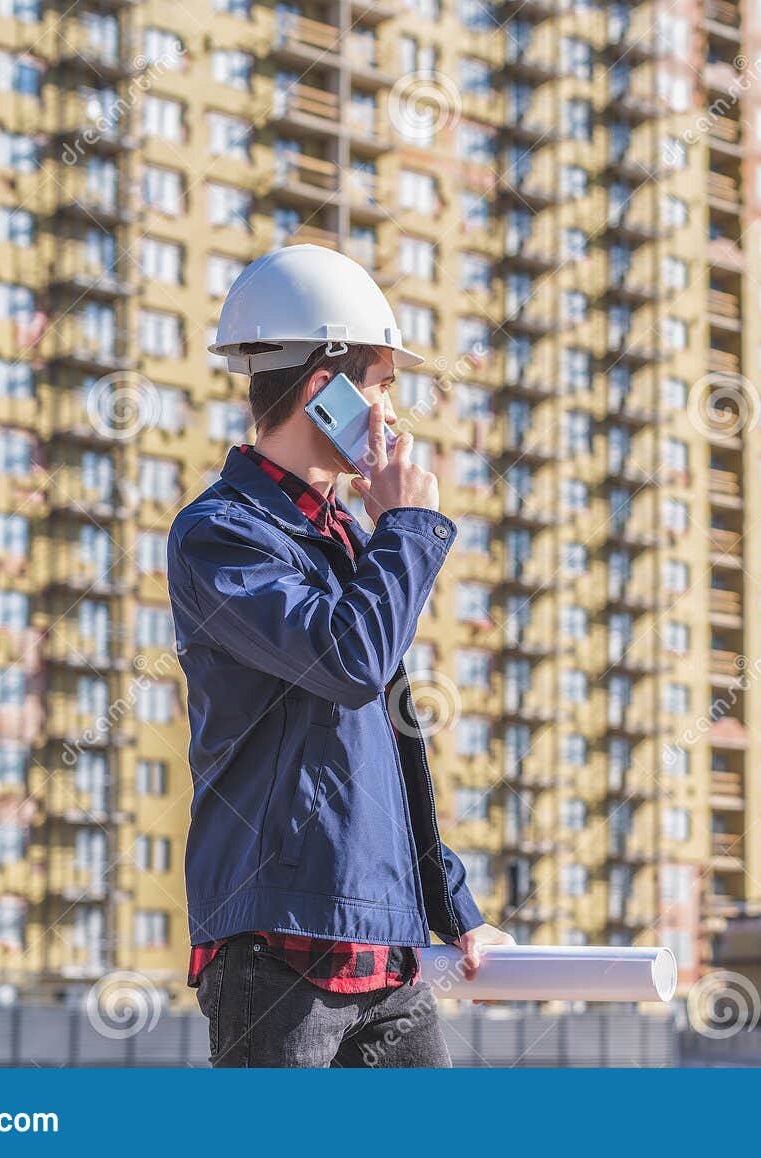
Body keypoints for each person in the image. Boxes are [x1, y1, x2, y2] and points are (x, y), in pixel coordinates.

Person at [167, 244, 512, 1067]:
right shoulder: (222, 535)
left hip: (386, 956)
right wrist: (406, 529)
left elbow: (394, 746)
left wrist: (451, 905)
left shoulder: (349, 540)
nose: (394, 412)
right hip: (278, 956)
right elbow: (348, 660)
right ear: (327, 393)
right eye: (384, 385)